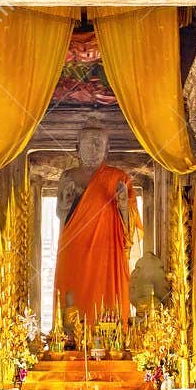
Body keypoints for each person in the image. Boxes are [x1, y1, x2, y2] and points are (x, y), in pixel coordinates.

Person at [54, 123, 140, 328]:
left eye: (98, 144)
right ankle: (70, 338)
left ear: (107, 149)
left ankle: (112, 339)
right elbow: (61, 214)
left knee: (108, 299)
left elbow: (131, 225)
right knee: (72, 298)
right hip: (74, 247)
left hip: (107, 250)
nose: (93, 149)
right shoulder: (68, 176)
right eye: (88, 144)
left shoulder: (119, 178)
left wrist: (122, 205)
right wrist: (65, 202)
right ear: (77, 149)